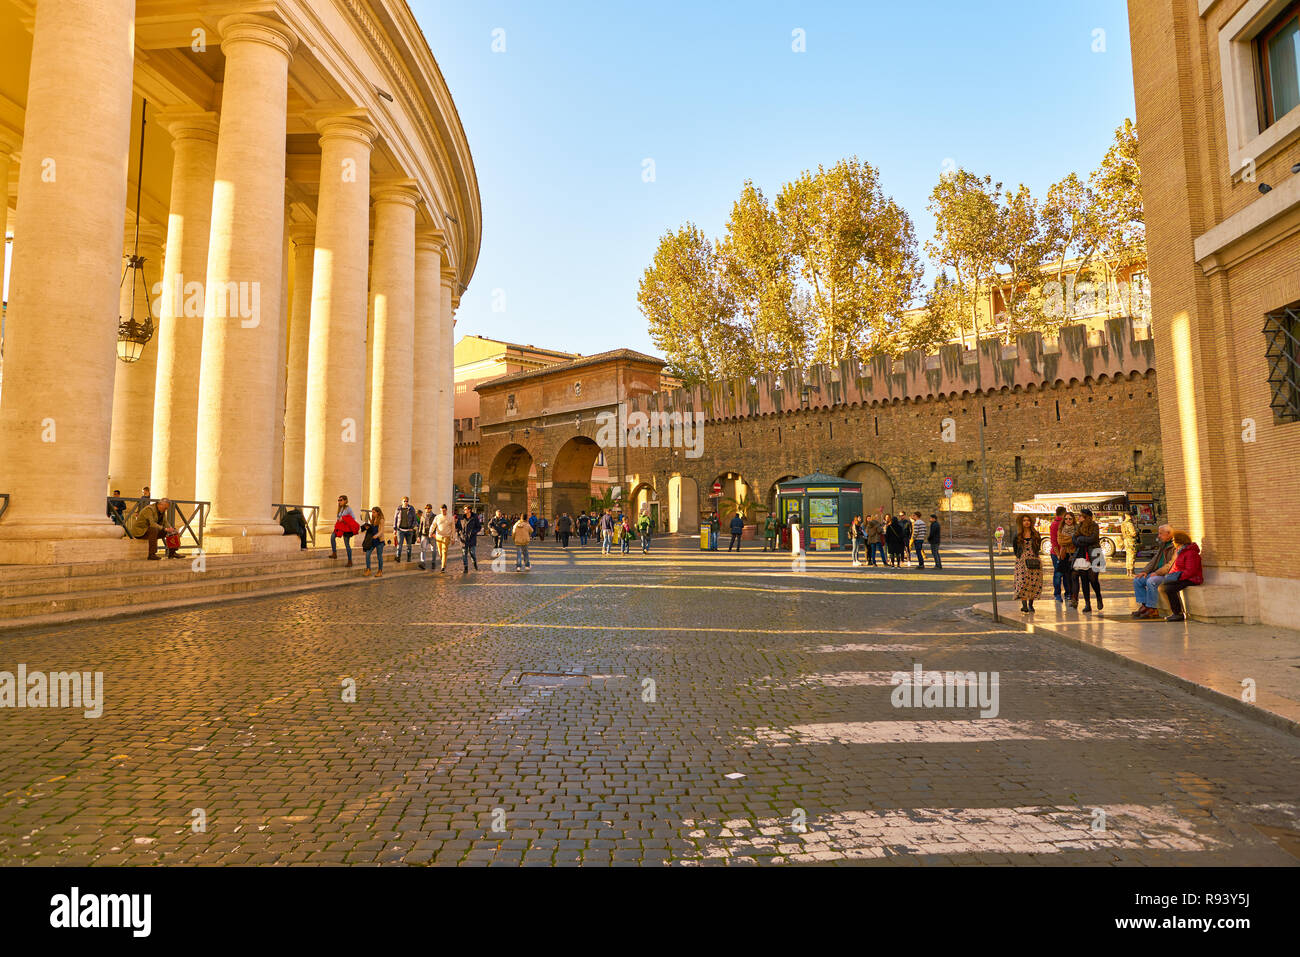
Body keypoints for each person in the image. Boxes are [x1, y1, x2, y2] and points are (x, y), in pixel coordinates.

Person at [1132, 525, 1177, 619]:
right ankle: (1145, 605)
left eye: (1161, 533)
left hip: (1167, 575)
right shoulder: (1163, 545)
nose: (1158, 536)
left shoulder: (1175, 547)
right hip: (1156, 573)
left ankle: (1152, 608)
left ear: (1168, 534)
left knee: (1151, 581)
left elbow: (1170, 565)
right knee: (1137, 580)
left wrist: (1157, 573)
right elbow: (1154, 560)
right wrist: (1145, 571)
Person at [1158, 531, 1203, 622]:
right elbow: (1176, 567)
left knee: (1170, 589)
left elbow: (1191, 571)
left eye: (1173, 540)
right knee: (1163, 586)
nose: (1172, 542)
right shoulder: (1180, 551)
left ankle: (1177, 613)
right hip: (1183, 577)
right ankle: (1173, 611)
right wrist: (1170, 576)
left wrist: (1177, 578)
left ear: (1179, 541)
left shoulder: (1190, 553)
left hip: (1192, 578)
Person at [1072, 508, 1103, 612]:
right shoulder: (1078, 526)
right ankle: (1087, 604)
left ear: (1086, 517)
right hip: (1081, 554)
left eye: (1081, 516)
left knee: (1093, 579)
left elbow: (1093, 538)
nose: (1079, 517)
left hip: (1095, 554)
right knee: (1084, 579)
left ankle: (1098, 596)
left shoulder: (1094, 526)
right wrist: (1081, 540)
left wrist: (1081, 539)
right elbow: (1074, 540)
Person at [1012, 514, 1043, 613]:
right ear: (1021, 522)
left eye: (1028, 520)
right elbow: (1015, 549)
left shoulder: (1036, 534)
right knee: (1022, 582)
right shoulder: (1017, 536)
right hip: (1021, 561)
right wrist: (1021, 557)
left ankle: (1031, 605)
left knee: (1033, 582)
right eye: (1024, 520)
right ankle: (1024, 605)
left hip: (1034, 560)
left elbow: (1038, 548)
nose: (1026, 522)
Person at [1055, 512, 1078, 608]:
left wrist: (1069, 540)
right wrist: (1072, 539)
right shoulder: (1061, 529)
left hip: (1075, 555)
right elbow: (1060, 541)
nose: (1068, 520)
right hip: (1065, 555)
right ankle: (1069, 595)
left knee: (1074, 577)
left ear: (1073, 519)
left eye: (1070, 519)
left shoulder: (1077, 529)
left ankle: (1074, 597)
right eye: (1066, 519)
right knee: (1067, 577)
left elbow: (1077, 540)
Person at [330, 495, 359, 567]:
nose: (339, 501)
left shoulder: (348, 509)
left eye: (341, 500)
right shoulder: (340, 508)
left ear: (345, 501)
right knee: (332, 537)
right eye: (338, 500)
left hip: (346, 529)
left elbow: (353, 518)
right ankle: (334, 553)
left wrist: (344, 519)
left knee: (347, 544)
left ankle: (350, 561)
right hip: (340, 527)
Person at [360, 506, 386, 578]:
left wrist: (376, 536)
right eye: (372, 512)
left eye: (374, 512)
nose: (373, 514)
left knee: (379, 556)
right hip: (372, 540)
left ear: (378, 512)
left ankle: (380, 571)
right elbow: (372, 528)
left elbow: (381, 531)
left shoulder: (381, 520)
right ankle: (368, 569)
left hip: (379, 541)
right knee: (367, 554)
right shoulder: (373, 519)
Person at [1048, 506, 1067, 601]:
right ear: (1063, 514)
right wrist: (1058, 554)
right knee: (1061, 574)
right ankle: (1061, 594)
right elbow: (1054, 541)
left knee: (1059, 573)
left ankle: (1059, 594)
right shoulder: (1057, 524)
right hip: (1059, 553)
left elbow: (1053, 541)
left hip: (1058, 553)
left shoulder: (1055, 524)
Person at [392, 496, 418, 563]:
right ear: (402, 501)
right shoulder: (398, 509)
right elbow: (395, 519)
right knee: (399, 545)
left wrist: (412, 527)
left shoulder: (411, 508)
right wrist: (394, 529)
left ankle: (409, 558)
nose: (405, 502)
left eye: (407, 501)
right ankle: (398, 557)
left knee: (409, 546)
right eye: (404, 501)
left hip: (409, 530)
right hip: (400, 530)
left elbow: (414, 519)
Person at [457, 505, 481, 574]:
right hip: (463, 539)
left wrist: (472, 532)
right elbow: (458, 527)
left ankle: (474, 563)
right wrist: (460, 533)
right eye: (464, 509)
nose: (464, 511)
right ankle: (466, 568)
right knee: (464, 554)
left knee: (472, 553)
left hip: (472, 538)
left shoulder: (475, 517)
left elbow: (478, 527)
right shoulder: (461, 517)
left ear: (469, 510)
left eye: (465, 509)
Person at [433, 503, 455, 573]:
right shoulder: (437, 517)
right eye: (442, 511)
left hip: (446, 537)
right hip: (438, 536)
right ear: (440, 510)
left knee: (444, 551)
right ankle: (444, 562)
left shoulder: (451, 518)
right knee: (440, 552)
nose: (443, 512)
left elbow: (453, 529)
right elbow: (433, 525)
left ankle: (442, 567)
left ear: (446, 510)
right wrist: (430, 532)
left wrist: (453, 538)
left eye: (444, 510)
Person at [417, 504, 437, 570]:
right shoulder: (423, 517)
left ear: (431, 509)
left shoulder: (435, 516)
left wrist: (435, 534)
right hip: (424, 535)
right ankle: (423, 563)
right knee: (423, 549)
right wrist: (418, 536)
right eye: (426, 508)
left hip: (432, 535)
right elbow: (420, 527)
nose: (427, 509)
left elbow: (437, 526)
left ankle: (433, 562)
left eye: (429, 508)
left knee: (434, 550)